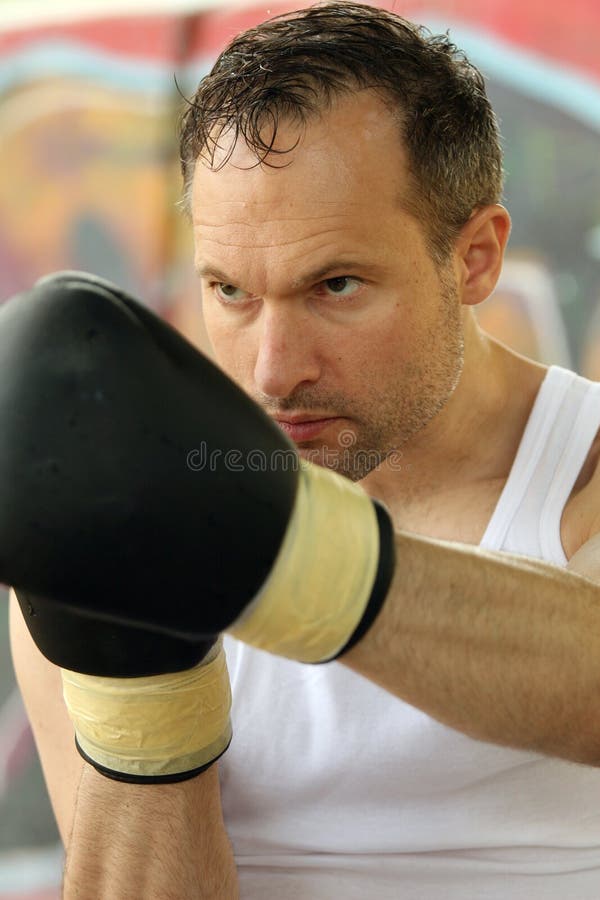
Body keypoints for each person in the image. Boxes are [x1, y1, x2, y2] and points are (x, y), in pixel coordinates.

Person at [8, 2, 600, 897]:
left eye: (336, 284)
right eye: (231, 291)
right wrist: (146, 694)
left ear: (475, 257)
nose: (276, 372)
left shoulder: (583, 471)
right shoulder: (120, 508)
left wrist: (287, 560)